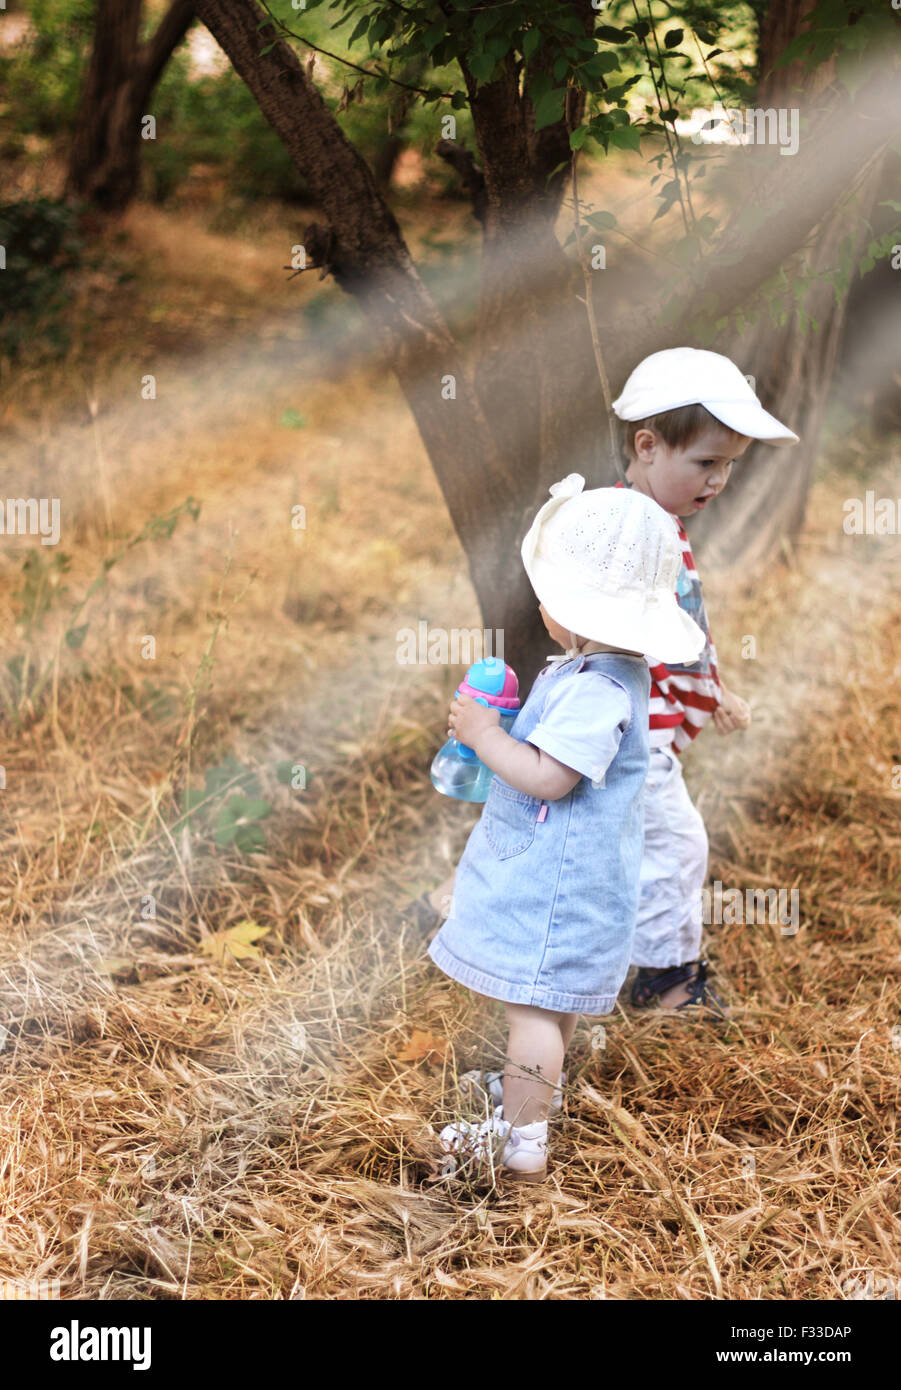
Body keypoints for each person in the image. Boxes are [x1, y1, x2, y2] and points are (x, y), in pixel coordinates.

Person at [428, 479, 706, 1181]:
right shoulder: (600, 671)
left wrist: (486, 734)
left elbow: (550, 778)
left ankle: (519, 1138)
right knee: (552, 1007)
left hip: (556, 888)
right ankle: (531, 1090)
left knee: (531, 1009)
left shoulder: (596, 690)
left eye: (548, 593)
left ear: (577, 608)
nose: (541, 606)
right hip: (576, 881)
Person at [611, 348, 799, 1015]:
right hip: (627, 729)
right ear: (648, 445)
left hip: (634, 720)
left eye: (727, 466)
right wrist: (696, 686)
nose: (717, 480)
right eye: (705, 463)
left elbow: (668, 626)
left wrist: (706, 688)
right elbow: (625, 627)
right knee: (674, 843)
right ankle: (664, 981)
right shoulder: (627, 528)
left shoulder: (650, 519)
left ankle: (632, 958)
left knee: (631, 840)